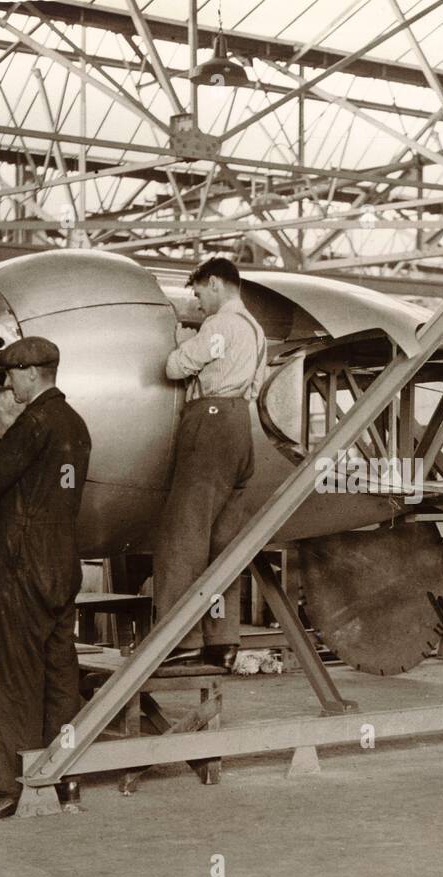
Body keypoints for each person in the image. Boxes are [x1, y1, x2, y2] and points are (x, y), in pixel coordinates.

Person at [0, 336, 92, 819]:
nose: (7, 382)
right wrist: (6, 439)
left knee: (10, 678)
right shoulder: (74, 424)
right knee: (59, 674)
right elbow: (42, 475)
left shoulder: (35, 421)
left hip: (25, 563)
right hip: (64, 562)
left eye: (11, 374)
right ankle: (64, 781)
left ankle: (7, 791)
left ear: (31, 373)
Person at [154, 257, 268, 670]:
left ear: (216, 283)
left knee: (183, 535)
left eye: (200, 293)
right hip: (240, 426)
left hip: (211, 422)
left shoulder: (220, 326)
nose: (199, 303)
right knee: (224, 545)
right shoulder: (256, 330)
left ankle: (178, 641)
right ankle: (222, 639)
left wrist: (180, 343)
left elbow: (175, 367)